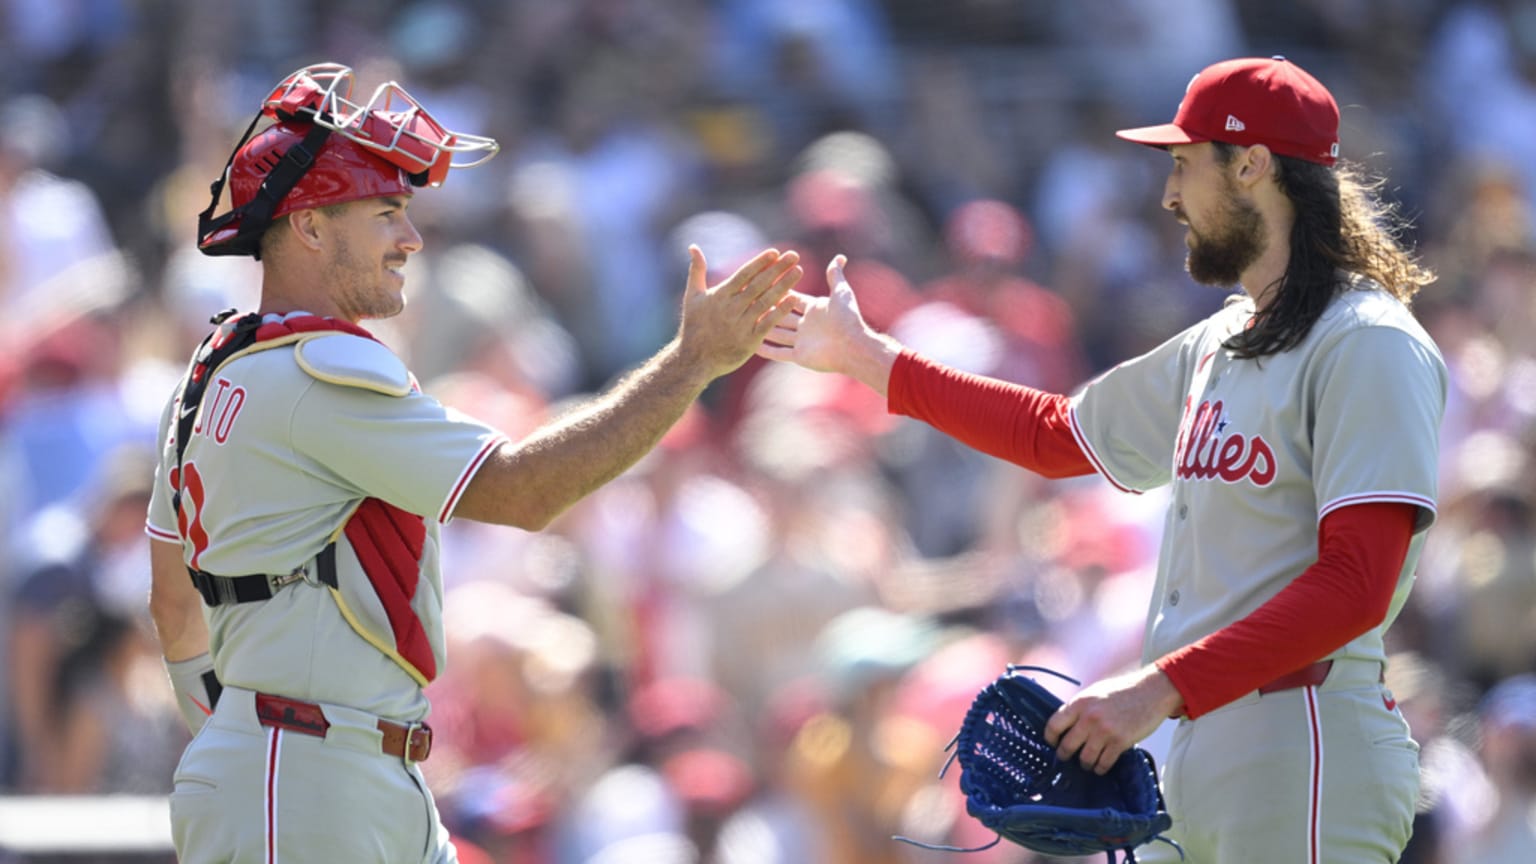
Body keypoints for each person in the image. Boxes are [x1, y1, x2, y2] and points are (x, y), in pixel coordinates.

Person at [760, 56, 1446, 863]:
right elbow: (1059, 435)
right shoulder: (1223, 341)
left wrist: (1158, 687)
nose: (1169, 196)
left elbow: (1357, 586)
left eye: (1186, 166)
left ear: (1253, 166)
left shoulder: (1366, 342)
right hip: (1193, 742)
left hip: (1306, 742)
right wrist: (875, 362)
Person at [144, 63, 801, 864]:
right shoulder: (324, 369)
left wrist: (236, 738)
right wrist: (691, 362)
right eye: (386, 211)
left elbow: (175, 607)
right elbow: (524, 492)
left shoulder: (212, 371)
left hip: (308, 766)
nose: (411, 237)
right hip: (312, 780)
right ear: (310, 227)